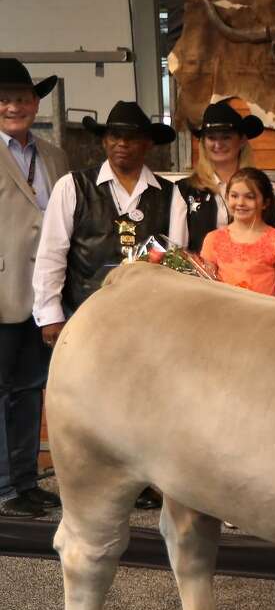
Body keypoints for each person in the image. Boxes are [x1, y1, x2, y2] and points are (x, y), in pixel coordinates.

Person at [33, 101, 185, 511]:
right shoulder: (73, 186)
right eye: (114, 136)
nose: (122, 144)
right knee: (89, 403)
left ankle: (144, 481)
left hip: (148, 324)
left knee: (144, 401)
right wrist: (50, 314)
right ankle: (97, 485)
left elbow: (177, 262)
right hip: (85, 317)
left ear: (148, 145)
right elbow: (51, 254)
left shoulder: (171, 196)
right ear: (103, 141)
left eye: (132, 137)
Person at [0, 59, 68, 519]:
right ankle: (4, 488)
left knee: (29, 389)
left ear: (35, 102)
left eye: (21, 98)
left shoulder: (55, 156)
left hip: (42, 297)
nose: (13, 106)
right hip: (1, 290)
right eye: (3, 99)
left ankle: (24, 481)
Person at [176, 98, 263, 249]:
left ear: (242, 140)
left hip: (253, 271)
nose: (218, 144)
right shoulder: (183, 190)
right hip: (196, 272)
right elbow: (176, 249)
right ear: (203, 142)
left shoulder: (263, 186)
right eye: (211, 137)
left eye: (226, 137)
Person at [200, 168, 275, 299]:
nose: (240, 203)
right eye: (234, 196)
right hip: (225, 315)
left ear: (265, 203)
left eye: (249, 197)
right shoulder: (213, 239)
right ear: (226, 198)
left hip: (267, 317)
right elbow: (207, 290)